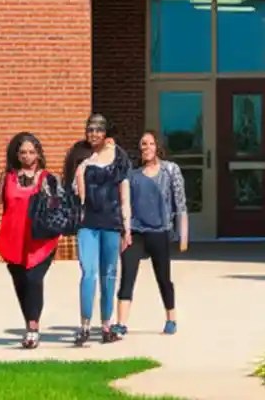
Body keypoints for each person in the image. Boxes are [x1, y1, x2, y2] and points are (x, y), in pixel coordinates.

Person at [114, 130, 188, 337]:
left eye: (150, 144)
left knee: (163, 278)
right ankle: (121, 323)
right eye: (143, 145)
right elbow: (125, 204)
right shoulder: (133, 175)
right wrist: (126, 231)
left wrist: (183, 234)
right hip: (136, 232)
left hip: (160, 231)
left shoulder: (170, 171)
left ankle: (171, 318)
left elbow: (180, 203)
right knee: (127, 275)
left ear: (158, 146)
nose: (146, 148)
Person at [0, 132, 60, 349]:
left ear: (39, 155)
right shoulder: (7, 178)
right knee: (21, 285)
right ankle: (29, 323)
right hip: (14, 240)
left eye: (31, 152)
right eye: (23, 152)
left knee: (34, 280)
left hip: (40, 241)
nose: (27, 156)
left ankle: (33, 328)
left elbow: (56, 209)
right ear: (16, 154)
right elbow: (5, 207)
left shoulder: (47, 178)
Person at [72, 113, 132, 345]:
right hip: (87, 222)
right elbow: (76, 192)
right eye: (90, 129)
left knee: (109, 274)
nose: (94, 133)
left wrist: (127, 227)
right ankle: (84, 325)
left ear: (106, 132)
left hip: (111, 223)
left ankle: (106, 326)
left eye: (98, 129)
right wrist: (81, 169)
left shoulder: (119, 158)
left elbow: (125, 196)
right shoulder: (80, 154)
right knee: (88, 272)